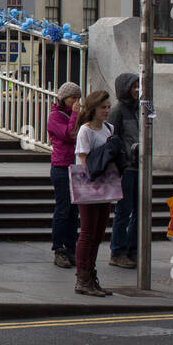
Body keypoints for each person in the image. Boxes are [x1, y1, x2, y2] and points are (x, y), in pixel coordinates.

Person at [73, 90, 117, 296]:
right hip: (90, 184)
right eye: (103, 107)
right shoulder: (86, 130)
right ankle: (82, 279)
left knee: (98, 233)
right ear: (93, 108)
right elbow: (83, 159)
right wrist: (94, 180)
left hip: (106, 183)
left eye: (108, 107)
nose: (107, 111)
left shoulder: (109, 128)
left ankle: (91, 275)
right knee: (88, 232)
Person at [108, 73, 141, 268]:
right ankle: (117, 250)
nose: (136, 90)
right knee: (124, 210)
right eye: (133, 86)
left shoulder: (140, 109)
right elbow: (113, 139)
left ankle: (133, 248)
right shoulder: (119, 111)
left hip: (140, 167)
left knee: (139, 211)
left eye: (138, 86)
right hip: (126, 167)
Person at [48, 82, 82, 268]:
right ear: (63, 99)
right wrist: (76, 114)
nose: (75, 102)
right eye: (72, 99)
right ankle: (59, 248)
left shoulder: (74, 115)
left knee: (73, 211)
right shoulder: (55, 117)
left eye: (78, 98)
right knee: (63, 209)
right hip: (61, 166)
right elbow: (70, 134)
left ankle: (71, 247)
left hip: (75, 165)